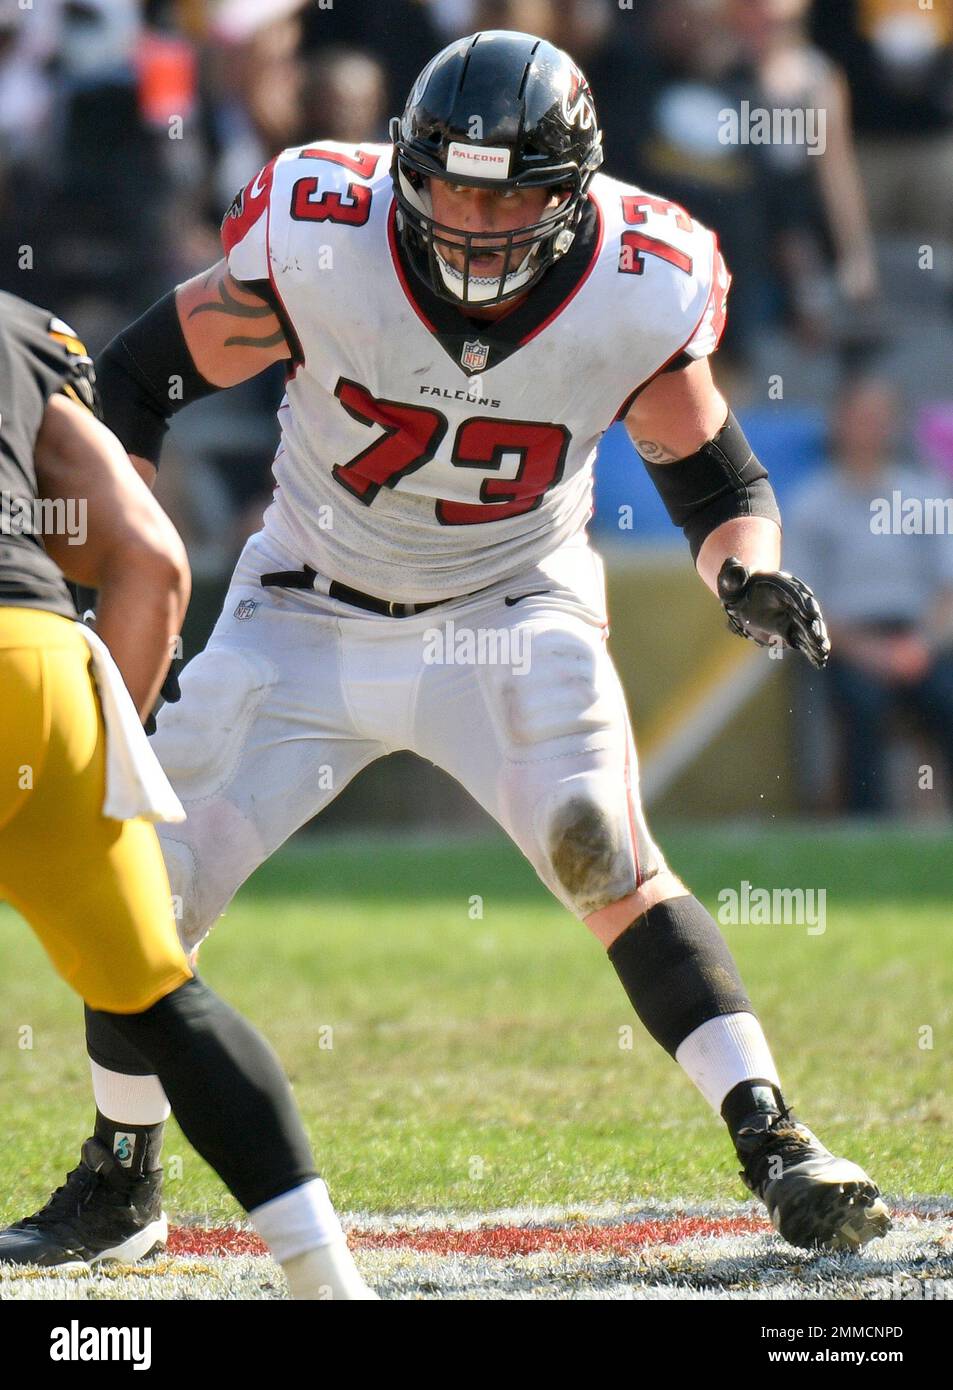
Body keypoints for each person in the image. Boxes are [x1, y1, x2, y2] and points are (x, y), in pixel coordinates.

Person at [1, 30, 889, 1267]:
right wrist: (106, 550)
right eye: (454, 185)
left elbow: (709, 473)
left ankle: (778, 1140)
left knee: (603, 849)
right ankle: (120, 1179)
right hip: (303, 606)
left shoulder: (643, 273)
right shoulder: (320, 228)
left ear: (573, 188)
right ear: (405, 168)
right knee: (147, 893)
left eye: (510, 189)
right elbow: (142, 377)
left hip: (510, 605)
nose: (474, 217)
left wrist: (744, 568)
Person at [0, 291, 374, 1297]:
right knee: (159, 993)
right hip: (38, 666)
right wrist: (97, 758)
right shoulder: (22, 333)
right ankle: (326, 1279)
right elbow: (154, 561)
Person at [786, 374, 953, 814]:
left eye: (880, 418)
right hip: (845, 645)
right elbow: (804, 604)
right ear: (839, 423)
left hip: (919, 639)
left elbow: (947, 587)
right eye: (861, 418)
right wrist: (869, 653)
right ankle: (865, 825)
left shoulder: (924, 495)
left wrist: (920, 645)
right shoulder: (811, 504)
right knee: (861, 703)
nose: (870, 429)